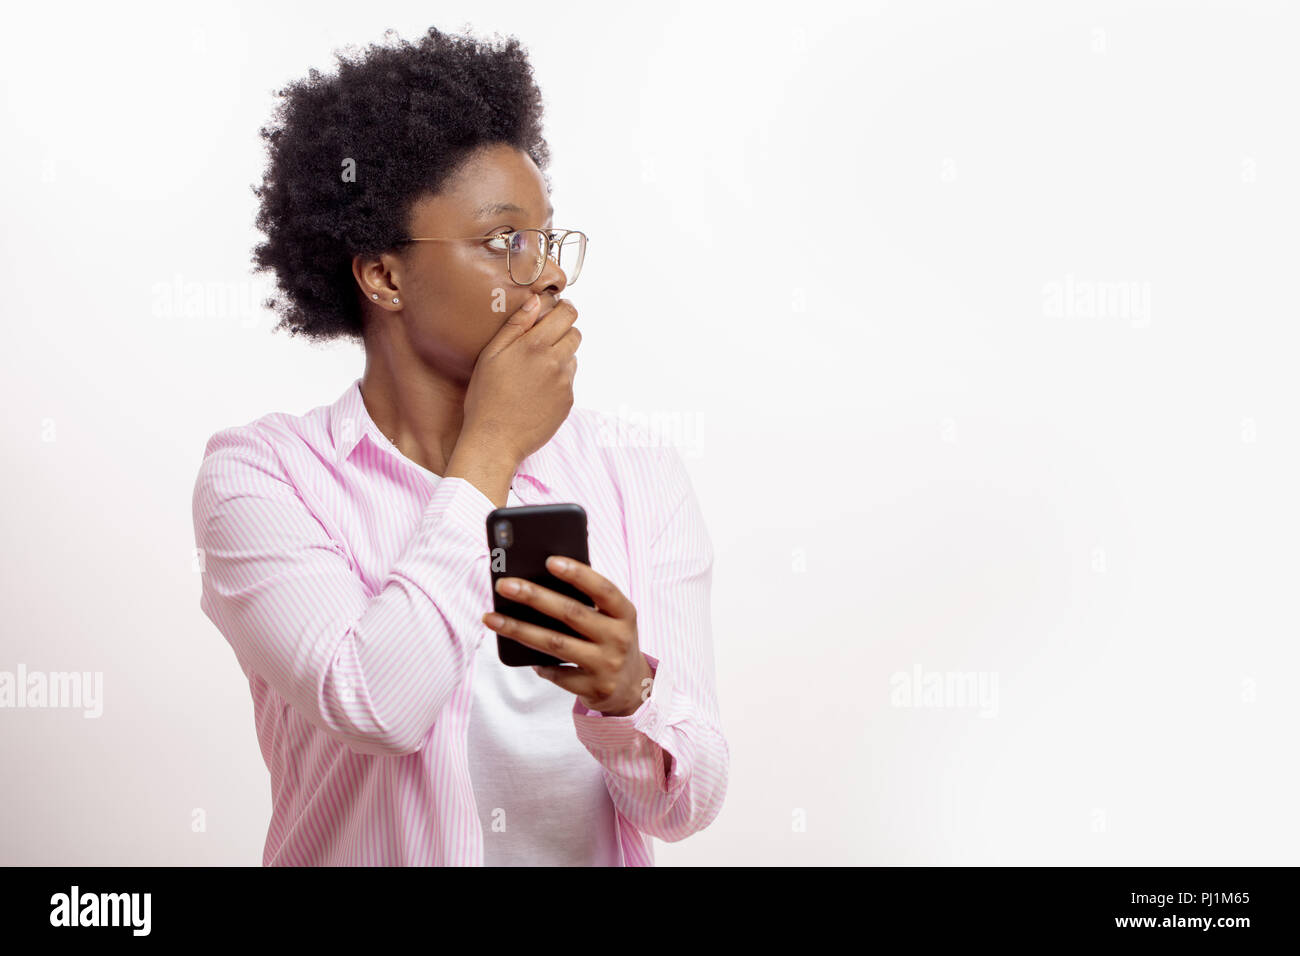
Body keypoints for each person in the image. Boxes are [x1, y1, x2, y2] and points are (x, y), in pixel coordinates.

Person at [191, 25, 728, 865]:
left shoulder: (635, 470)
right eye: (503, 240)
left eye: (545, 240)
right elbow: (376, 705)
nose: (546, 275)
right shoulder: (261, 479)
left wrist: (632, 698)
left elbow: (686, 806)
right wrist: (491, 448)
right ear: (385, 276)